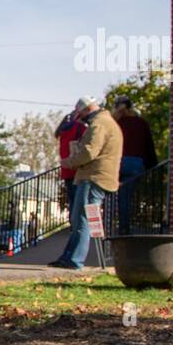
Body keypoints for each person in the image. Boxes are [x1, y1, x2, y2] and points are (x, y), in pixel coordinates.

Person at [53, 96, 123, 270]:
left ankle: (75, 260)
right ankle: (68, 257)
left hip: (93, 177)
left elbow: (89, 152)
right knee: (80, 219)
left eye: (80, 114)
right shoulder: (106, 122)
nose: (80, 118)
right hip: (97, 176)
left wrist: (68, 162)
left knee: (82, 219)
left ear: (86, 110)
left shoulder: (99, 124)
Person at [112, 96, 158, 234]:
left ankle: (112, 225)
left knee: (112, 195)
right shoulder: (141, 123)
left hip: (117, 162)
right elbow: (148, 145)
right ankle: (124, 227)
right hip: (135, 163)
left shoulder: (115, 123)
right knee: (127, 196)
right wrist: (151, 165)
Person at [55, 101, 87, 217]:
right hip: (77, 169)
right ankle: (76, 225)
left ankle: (72, 225)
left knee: (72, 200)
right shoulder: (80, 128)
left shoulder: (63, 131)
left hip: (66, 169)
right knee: (79, 201)